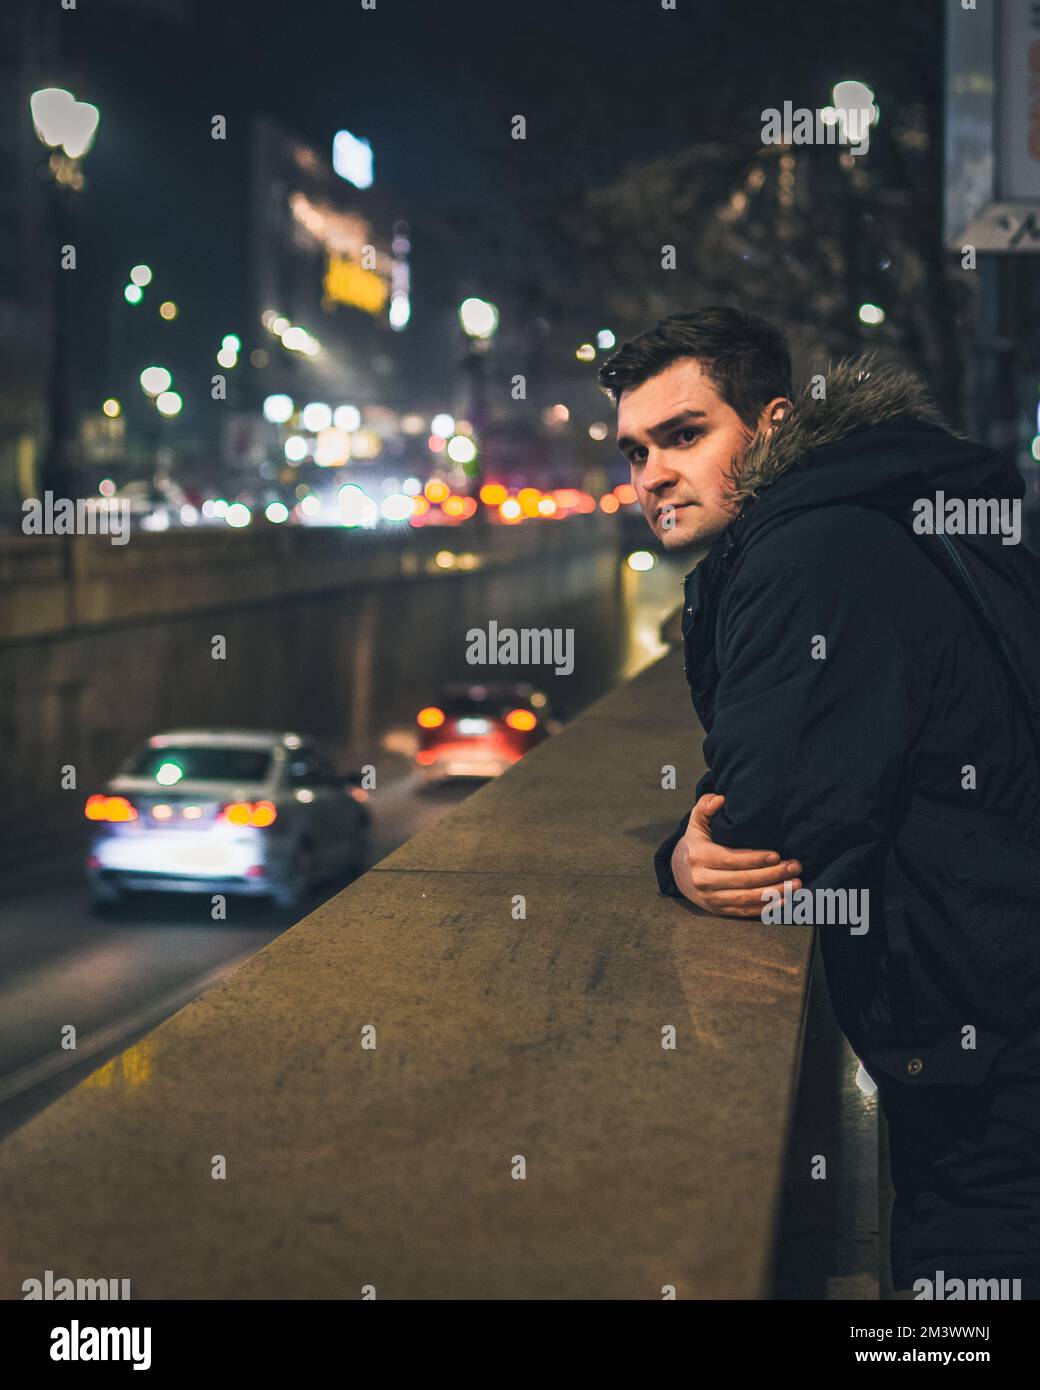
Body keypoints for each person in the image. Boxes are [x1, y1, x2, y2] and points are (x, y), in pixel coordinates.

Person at [600, 306, 1040, 1298]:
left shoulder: (813, 553)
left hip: (992, 1041)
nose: (652, 476)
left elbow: (767, 834)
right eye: (634, 451)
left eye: (683, 434)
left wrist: (673, 857)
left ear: (768, 423)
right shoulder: (880, 503)